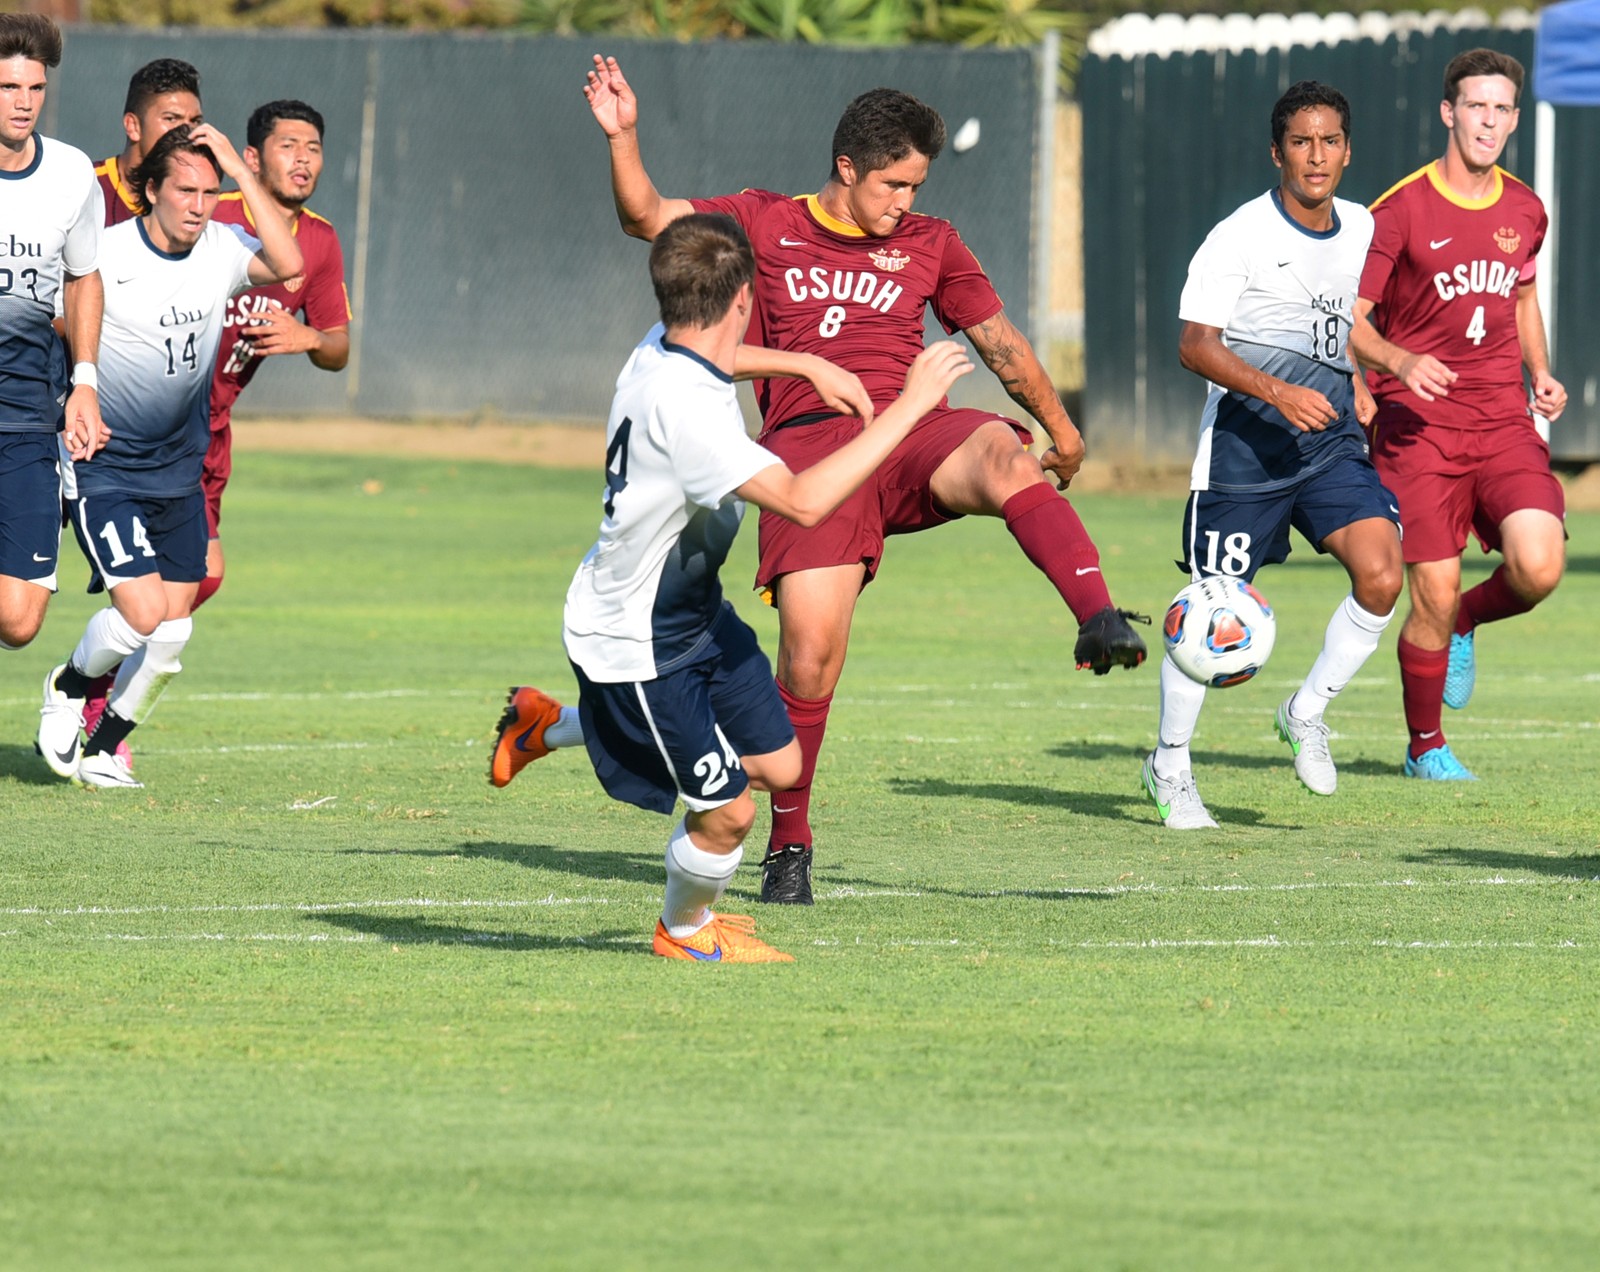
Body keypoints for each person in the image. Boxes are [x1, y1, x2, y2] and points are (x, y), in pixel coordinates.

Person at [564, 54, 1147, 904]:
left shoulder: (933, 241)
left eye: (916, 185)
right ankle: (788, 847)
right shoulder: (764, 219)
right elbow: (647, 218)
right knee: (809, 655)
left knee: (1003, 455)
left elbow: (1000, 344)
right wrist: (624, 138)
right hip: (808, 449)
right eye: (893, 184)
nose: (906, 201)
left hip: (912, 430)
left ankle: (1096, 615)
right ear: (847, 169)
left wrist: (1062, 431)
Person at [524, 213, 971, 961]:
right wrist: (910, 409)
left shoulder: (660, 351)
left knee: (781, 765)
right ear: (743, 301)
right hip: (635, 641)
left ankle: (551, 725)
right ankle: (684, 929)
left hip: (693, 614)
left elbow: (720, 359)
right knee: (729, 813)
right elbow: (801, 500)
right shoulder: (691, 417)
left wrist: (807, 367)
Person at [1142, 81, 1403, 830]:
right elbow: (1195, 345)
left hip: (1328, 449)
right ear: (1276, 151)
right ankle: (1169, 763)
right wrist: (1277, 393)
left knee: (1384, 573)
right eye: (1300, 141)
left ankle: (1306, 712)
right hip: (1242, 457)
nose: (1315, 156)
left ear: (1348, 151)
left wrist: (1362, 381)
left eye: (1329, 141)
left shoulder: (1366, 231)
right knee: (1208, 618)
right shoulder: (1240, 235)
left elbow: (1360, 327)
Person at [77, 99, 353, 770]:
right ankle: (93, 700)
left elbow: (338, 347)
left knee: (198, 585)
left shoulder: (313, 238)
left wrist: (308, 335)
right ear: (251, 158)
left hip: (208, 431)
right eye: (288, 145)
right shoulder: (208, 212)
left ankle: (105, 714)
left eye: (313, 147)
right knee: (155, 597)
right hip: (140, 427)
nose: (303, 159)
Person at [36, 122, 302, 788]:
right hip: (108, 469)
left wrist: (243, 179)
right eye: (185, 190)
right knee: (142, 614)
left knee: (172, 631)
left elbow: (290, 264)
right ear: (149, 190)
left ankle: (104, 748)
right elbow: (59, 319)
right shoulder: (107, 255)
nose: (198, 205)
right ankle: (68, 683)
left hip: (180, 475)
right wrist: (77, 395)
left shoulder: (222, 246)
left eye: (209, 192)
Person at [1350, 49, 1565, 782]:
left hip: (1503, 421)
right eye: (1477, 106)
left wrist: (1540, 372)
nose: (1490, 121)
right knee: (1430, 595)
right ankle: (1424, 746)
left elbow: (1523, 298)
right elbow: (1353, 324)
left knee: (1538, 567)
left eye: (1502, 109)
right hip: (1419, 427)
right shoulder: (1399, 210)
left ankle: (1471, 619)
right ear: (1449, 112)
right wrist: (1397, 362)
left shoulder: (1526, 209)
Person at [0, 14, 104, 655]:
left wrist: (85, 383)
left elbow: (83, 278)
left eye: (34, 88)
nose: (23, 102)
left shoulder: (70, 174)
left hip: (27, 415)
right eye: (8, 87)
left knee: (18, 621)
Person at [95, 58, 203, 227]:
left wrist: (241, 173)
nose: (187, 132)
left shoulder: (202, 202)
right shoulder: (84, 187)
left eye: (195, 121)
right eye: (171, 118)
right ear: (133, 126)